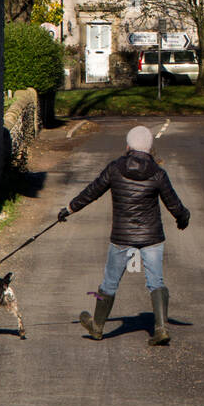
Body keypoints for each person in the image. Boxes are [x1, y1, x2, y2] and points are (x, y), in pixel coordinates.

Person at [58, 125, 190, 345]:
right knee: (155, 281)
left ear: (128, 145)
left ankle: (98, 326)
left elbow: (92, 191)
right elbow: (174, 204)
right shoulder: (158, 173)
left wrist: (69, 209)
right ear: (149, 147)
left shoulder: (115, 168)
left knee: (109, 283)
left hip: (122, 237)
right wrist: (183, 218)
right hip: (152, 237)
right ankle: (161, 327)